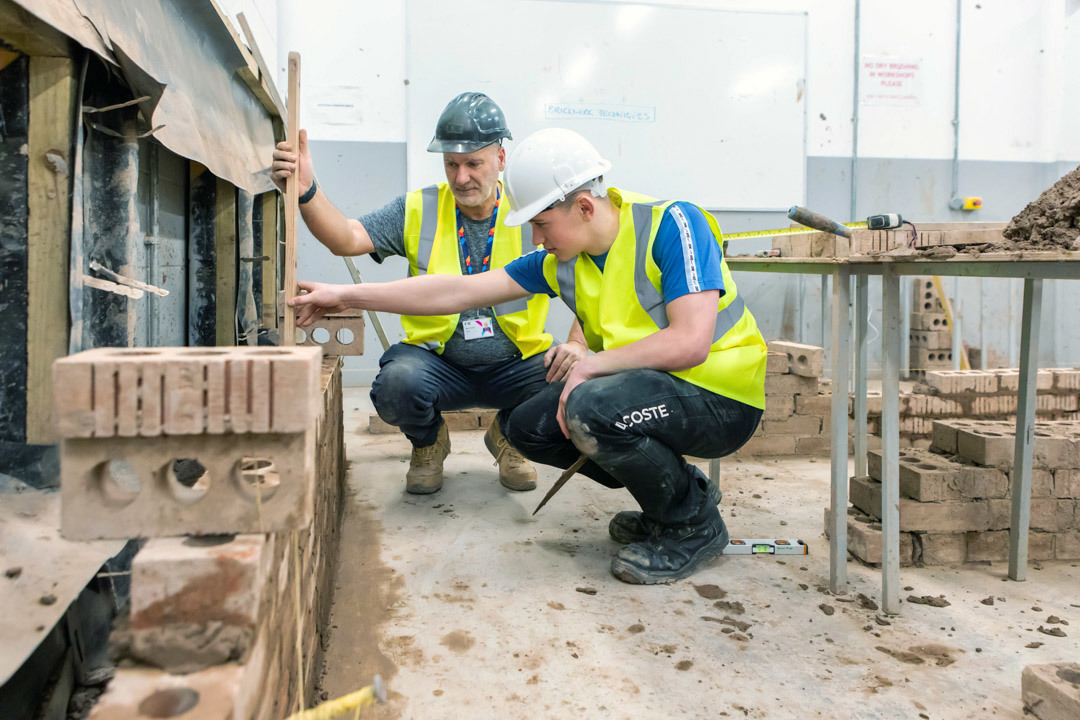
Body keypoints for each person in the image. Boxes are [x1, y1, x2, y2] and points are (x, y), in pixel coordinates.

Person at [288, 128, 766, 585]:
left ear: (582, 207)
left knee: (589, 407)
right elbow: (458, 291)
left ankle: (694, 526)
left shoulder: (672, 223)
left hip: (721, 397)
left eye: (540, 224)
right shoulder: (563, 262)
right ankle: (674, 500)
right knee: (531, 427)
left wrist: (590, 363)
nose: (537, 238)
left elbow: (690, 342)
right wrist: (346, 296)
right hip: (651, 391)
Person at [272, 93, 587, 495]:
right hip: (436, 362)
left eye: (474, 163)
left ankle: (509, 436)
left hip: (516, 362)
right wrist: (306, 190)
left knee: (573, 380)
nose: (461, 177)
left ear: (501, 159)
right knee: (396, 384)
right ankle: (428, 442)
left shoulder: (532, 213)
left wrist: (577, 344)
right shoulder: (419, 208)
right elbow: (346, 237)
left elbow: (587, 276)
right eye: (451, 164)